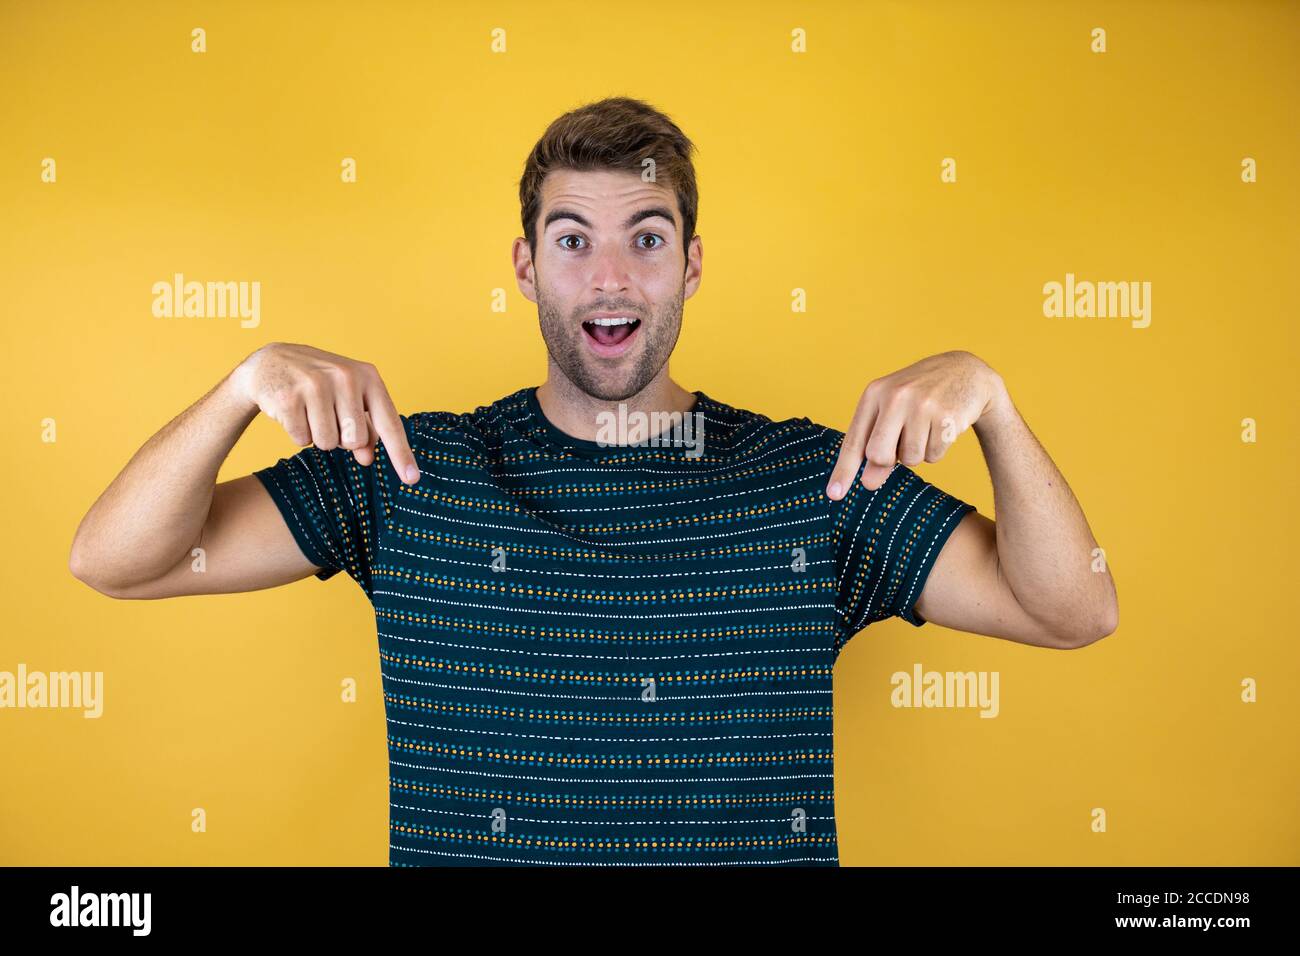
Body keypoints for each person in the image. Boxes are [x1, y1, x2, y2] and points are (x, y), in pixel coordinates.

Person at [68, 96, 1118, 866]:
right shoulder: (402, 469)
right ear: (525, 266)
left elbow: (1071, 608)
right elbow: (114, 558)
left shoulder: (819, 479)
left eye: (645, 240)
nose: (610, 277)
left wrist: (996, 407)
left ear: (690, 265)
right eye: (572, 241)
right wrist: (240, 387)